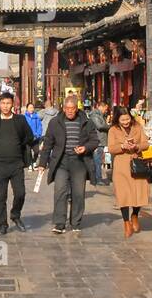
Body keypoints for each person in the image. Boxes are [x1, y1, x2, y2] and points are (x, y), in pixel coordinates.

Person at [38, 92, 100, 234]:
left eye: (73, 108)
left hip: (79, 163)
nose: (70, 111)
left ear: (76, 108)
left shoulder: (86, 122)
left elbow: (94, 141)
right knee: (60, 192)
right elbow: (48, 144)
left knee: (78, 193)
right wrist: (42, 163)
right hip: (61, 162)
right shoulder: (55, 122)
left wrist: (85, 148)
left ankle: (75, 222)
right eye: (67, 108)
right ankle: (59, 223)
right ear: (63, 108)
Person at [0, 92, 35, 234]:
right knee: (1, 195)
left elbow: (29, 136)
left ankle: (15, 215)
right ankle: (2, 224)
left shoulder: (20, 120)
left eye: (8, 103)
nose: (5, 106)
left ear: (13, 104)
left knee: (20, 193)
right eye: (3, 103)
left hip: (16, 163)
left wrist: (20, 145)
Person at [107, 104, 150, 237]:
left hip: (136, 163)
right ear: (117, 119)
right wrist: (122, 146)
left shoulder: (137, 126)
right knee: (123, 194)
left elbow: (146, 144)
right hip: (121, 165)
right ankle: (126, 222)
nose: (126, 122)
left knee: (139, 192)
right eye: (122, 120)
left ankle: (135, 215)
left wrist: (137, 146)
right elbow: (111, 148)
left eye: (127, 119)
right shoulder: (113, 130)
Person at [89, 100, 111, 184]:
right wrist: (109, 126)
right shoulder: (95, 115)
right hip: (98, 140)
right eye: (106, 108)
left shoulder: (100, 115)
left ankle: (98, 178)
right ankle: (97, 179)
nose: (106, 110)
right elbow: (100, 126)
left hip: (100, 140)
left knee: (98, 160)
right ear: (101, 106)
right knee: (97, 160)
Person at [24, 102, 44, 169]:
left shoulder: (36, 117)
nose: (31, 109)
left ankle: (34, 162)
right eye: (30, 107)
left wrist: (38, 134)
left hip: (35, 137)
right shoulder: (24, 117)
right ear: (27, 108)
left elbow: (39, 127)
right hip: (27, 138)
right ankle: (30, 164)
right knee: (28, 152)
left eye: (32, 107)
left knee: (36, 151)